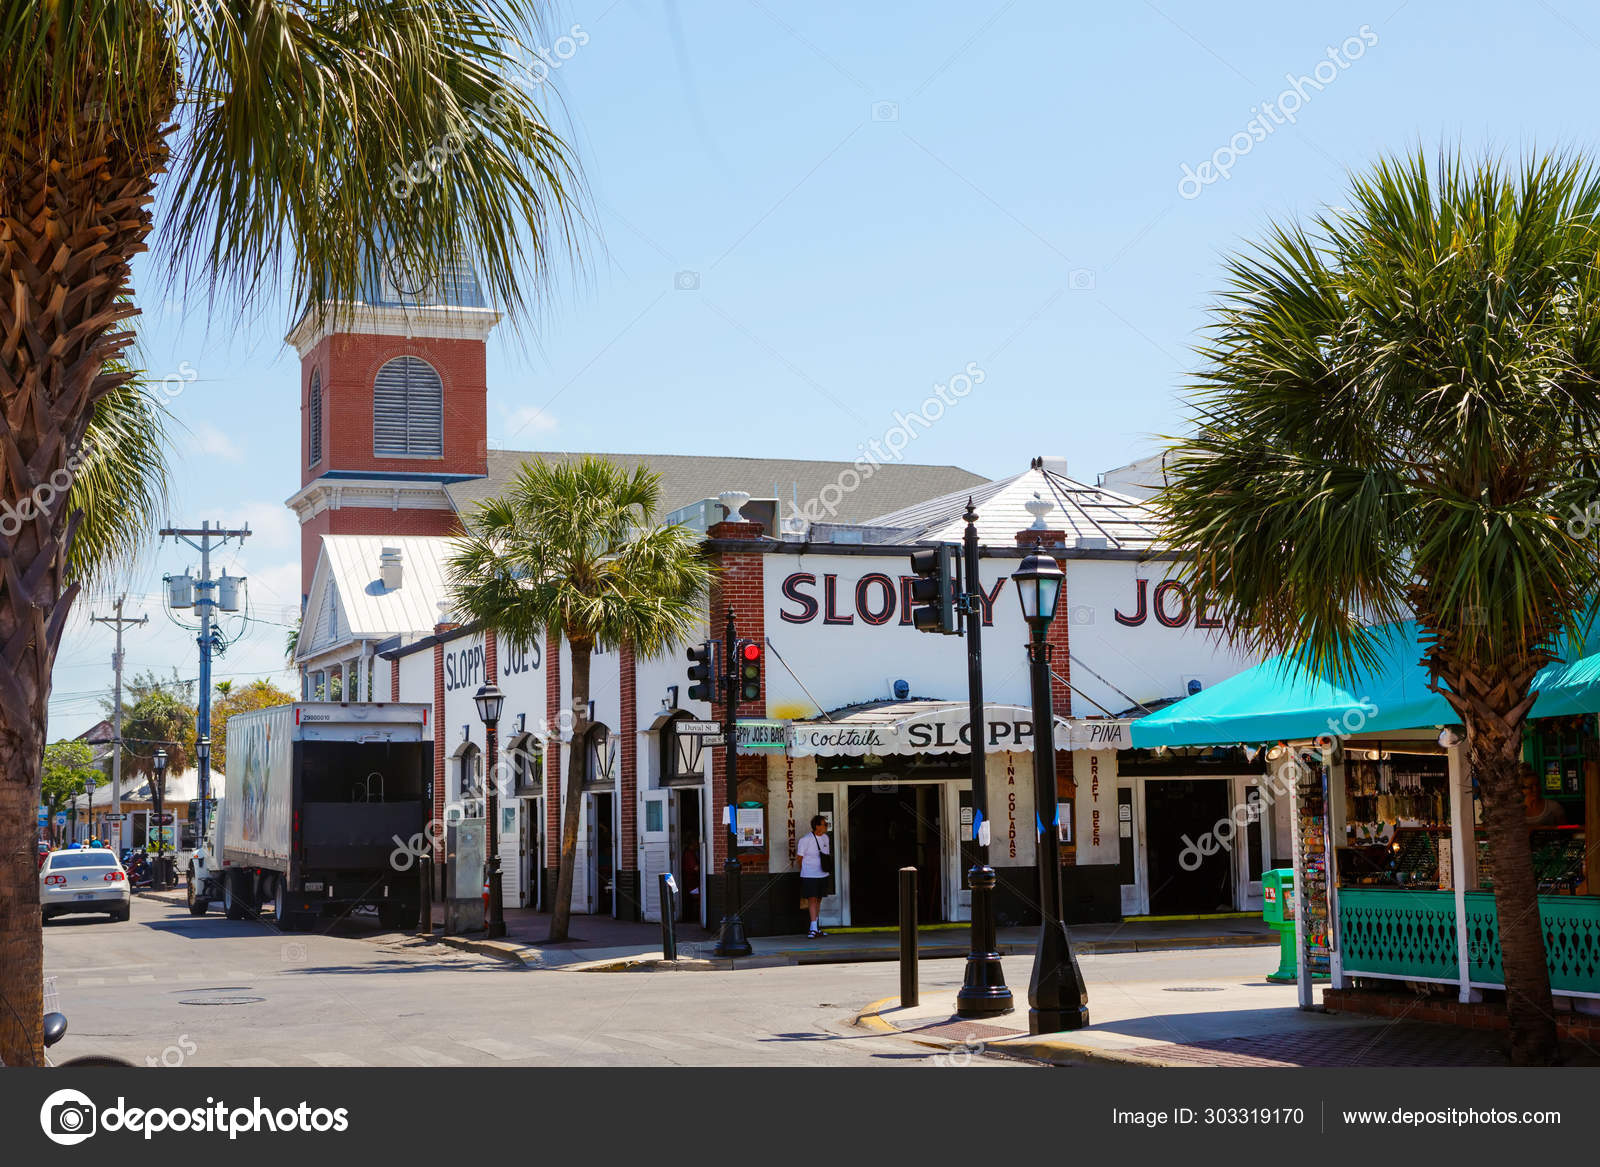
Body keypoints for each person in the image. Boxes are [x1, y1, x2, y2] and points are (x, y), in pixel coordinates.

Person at [796, 814, 831, 939]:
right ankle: (813, 927)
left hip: (823, 874)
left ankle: (815, 927)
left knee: (819, 900)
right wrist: (805, 869)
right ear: (817, 826)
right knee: (812, 899)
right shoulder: (805, 840)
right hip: (810, 875)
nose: (826, 827)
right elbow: (799, 858)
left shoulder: (826, 838)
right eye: (824, 824)